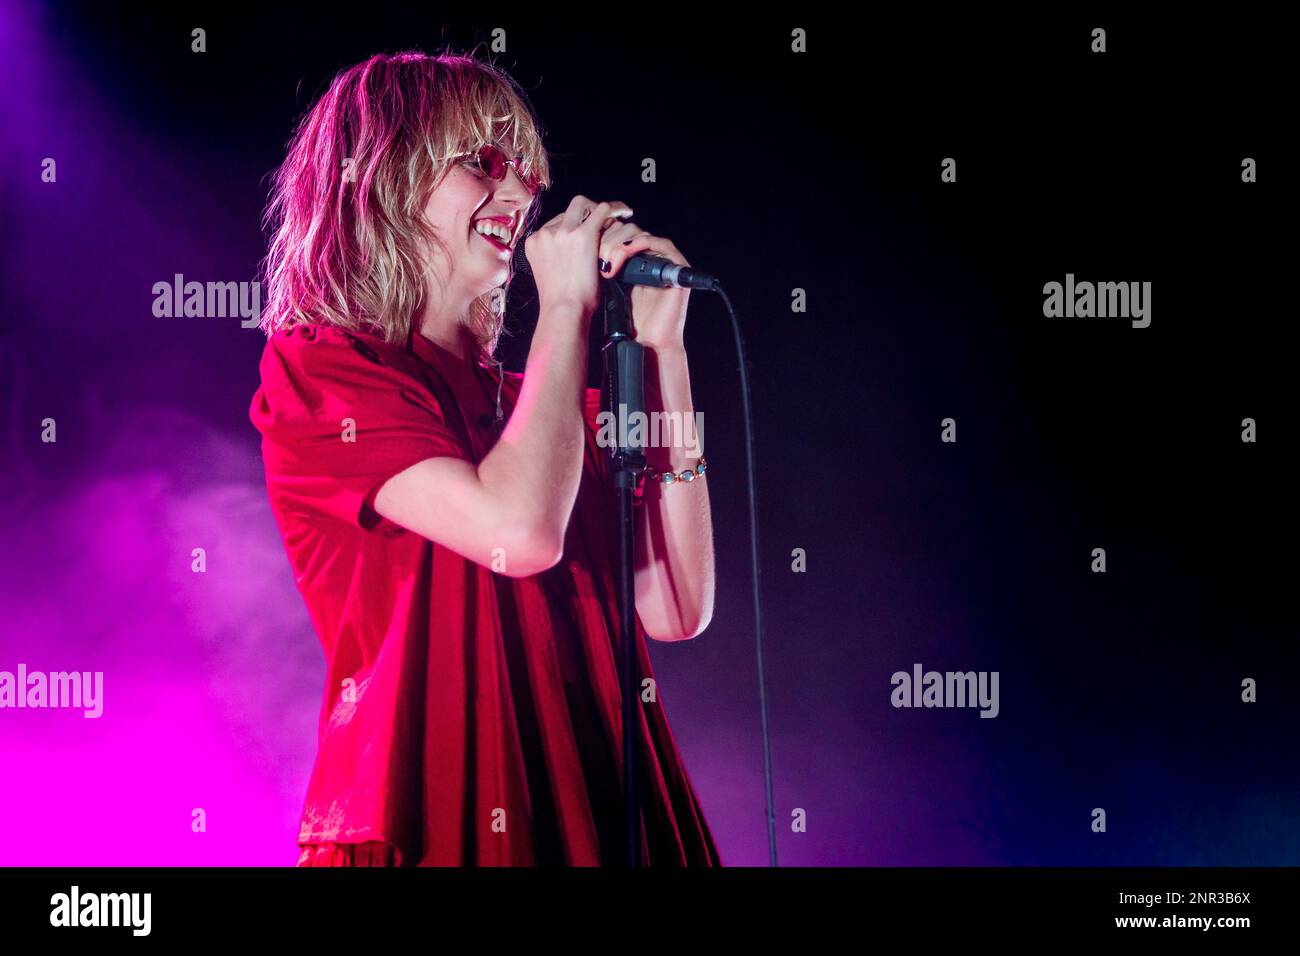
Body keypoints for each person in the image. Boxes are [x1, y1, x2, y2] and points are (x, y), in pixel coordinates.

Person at [248, 50, 720, 865]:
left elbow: (676, 606)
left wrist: (664, 349)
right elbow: (519, 530)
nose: (518, 196)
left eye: (527, 176)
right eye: (482, 163)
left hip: (604, 798)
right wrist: (569, 304)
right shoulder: (322, 370)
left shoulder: (540, 408)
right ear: (382, 179)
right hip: (436, 817)